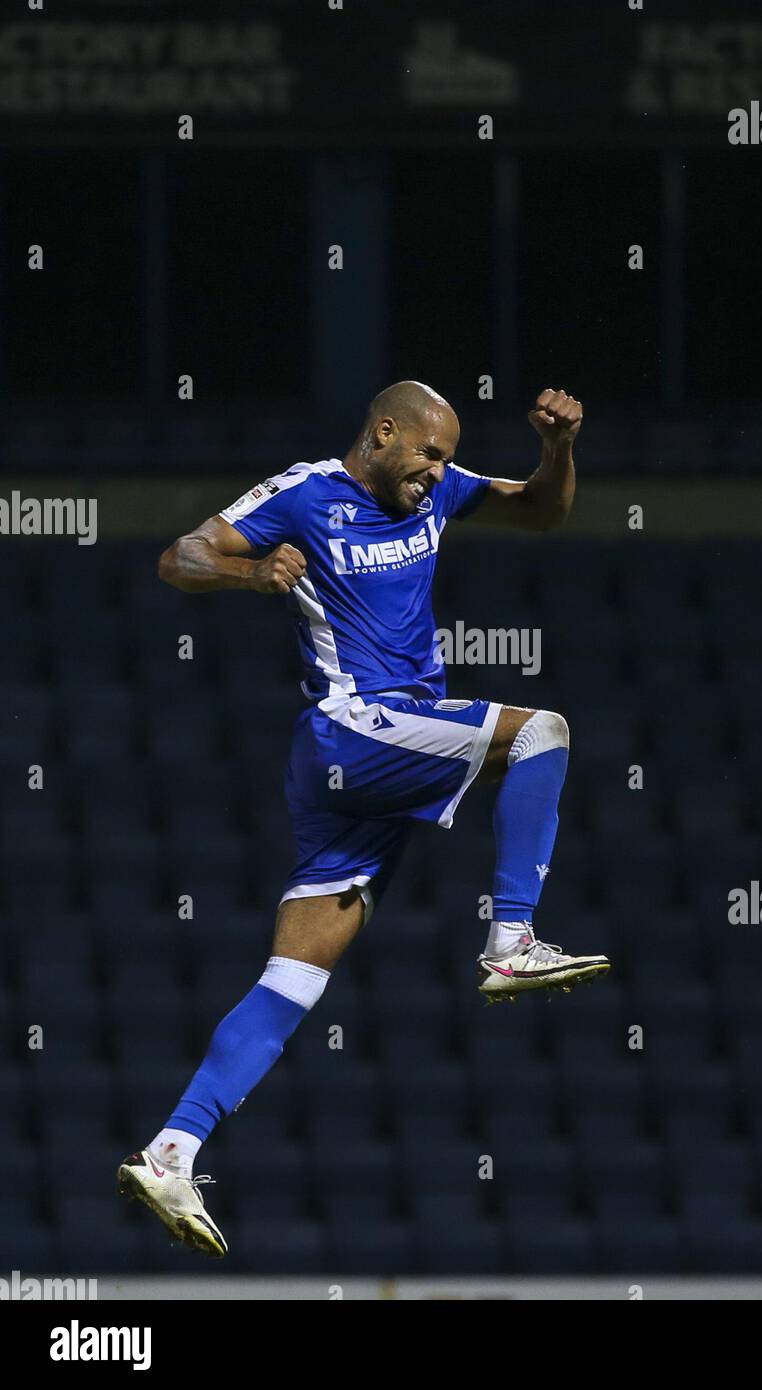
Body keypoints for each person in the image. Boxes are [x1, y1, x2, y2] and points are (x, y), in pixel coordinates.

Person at [117, 381, 609, 1256]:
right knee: (542, 733)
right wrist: (248, 570)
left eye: (446, 459)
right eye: (427, 454)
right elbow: (178, 556)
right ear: (384, 433)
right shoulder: (306, 493)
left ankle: (171, 1150)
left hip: (376, 757)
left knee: (292, 981)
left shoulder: (442, 489)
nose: (438, 473)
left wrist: (557, 448)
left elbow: (538, 512)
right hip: (352, 729)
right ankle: (511, 941)